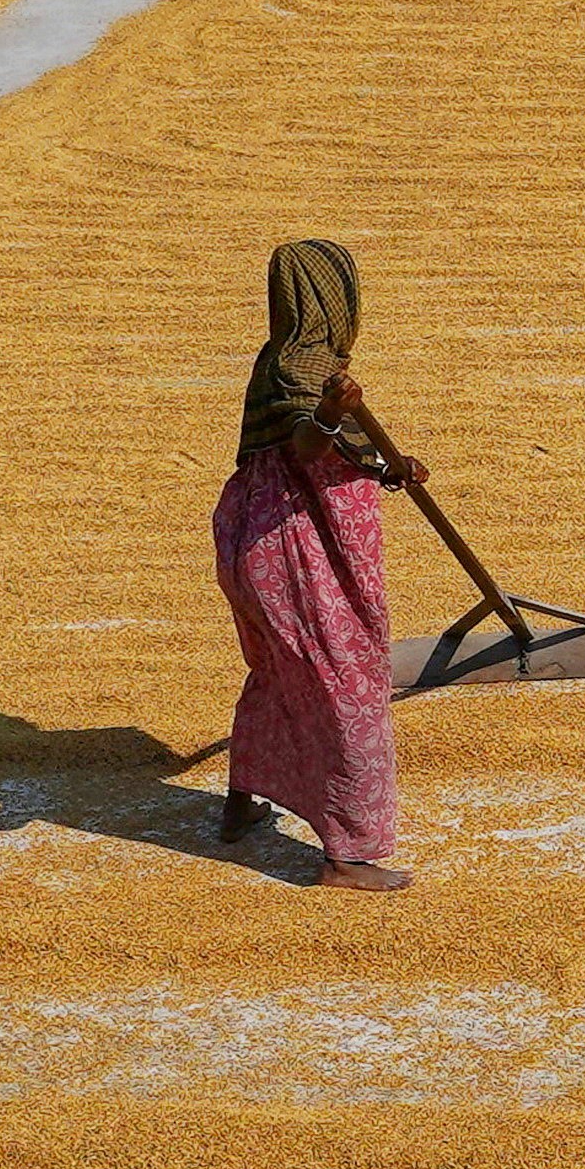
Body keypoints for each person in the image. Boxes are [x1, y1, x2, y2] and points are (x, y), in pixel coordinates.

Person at [208, 236, 423, 890]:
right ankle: (347, 855)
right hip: (299, 553)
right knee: (347, 681)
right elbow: (305, 445)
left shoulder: (279, 359)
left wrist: (389, 466)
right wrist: (330, 413)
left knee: (278, 672)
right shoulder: (305, 368)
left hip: (252, 546)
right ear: (337, 300)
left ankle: (244, 798)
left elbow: (326, 451)